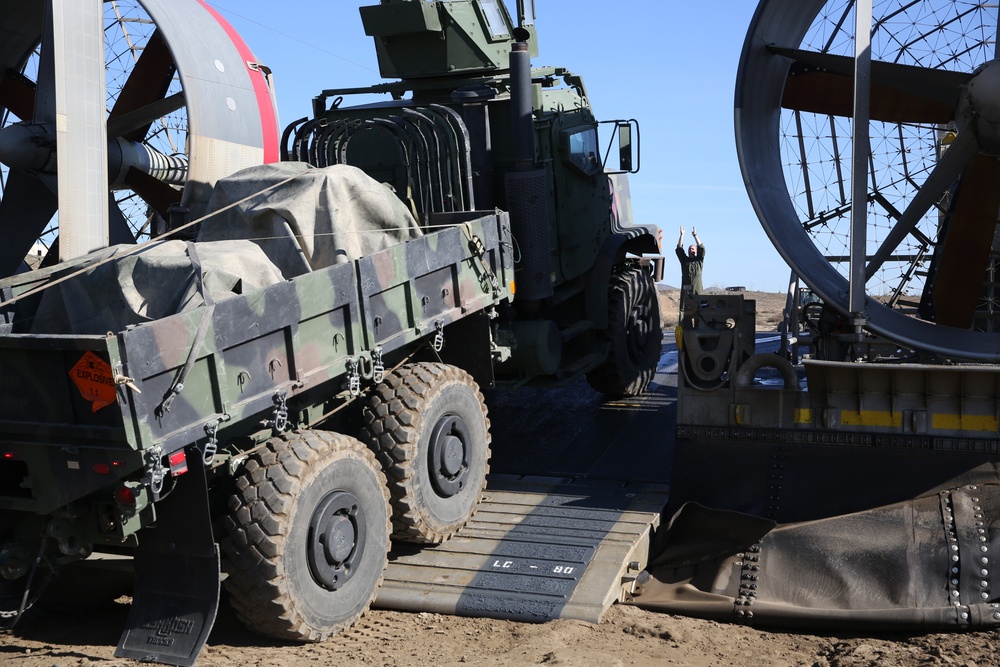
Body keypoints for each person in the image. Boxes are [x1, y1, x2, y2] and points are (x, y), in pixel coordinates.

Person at [675, 225, 705, 295]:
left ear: (696, 251)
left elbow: (701, 247)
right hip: (686, 292)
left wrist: (695, 235)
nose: (691, 250)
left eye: (693, 249)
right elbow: (679, 249)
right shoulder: (684, 260)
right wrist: (682, 235)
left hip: (698, 291)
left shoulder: (699, 260)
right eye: (689, 249)